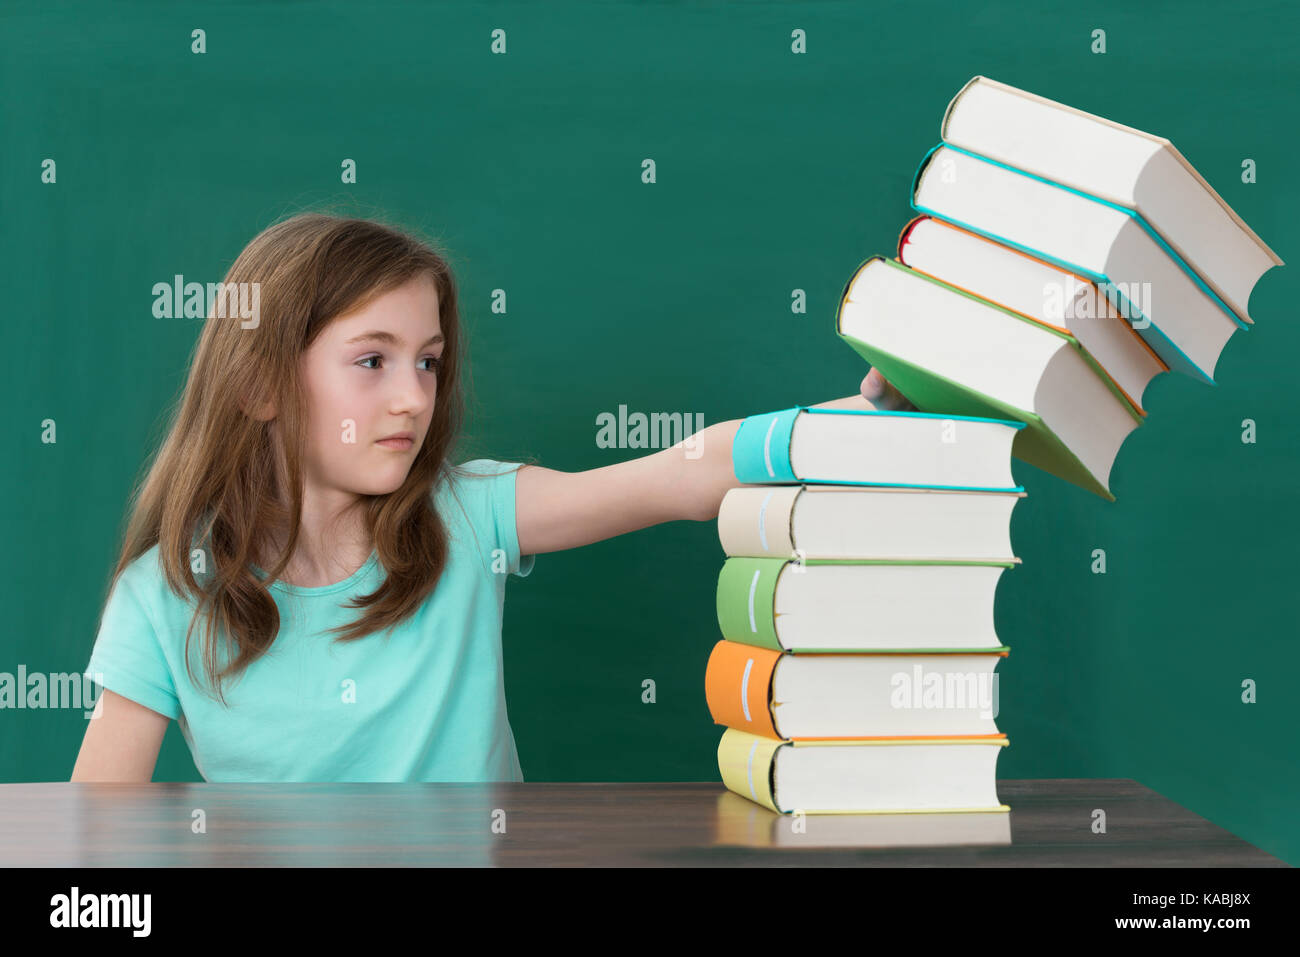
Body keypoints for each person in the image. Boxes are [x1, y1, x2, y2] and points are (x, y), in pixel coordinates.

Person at [70, 213, 915, 783]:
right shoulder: (162, 597)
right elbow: (93, 841)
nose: (412, 396)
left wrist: (859, 416)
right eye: (373, 360)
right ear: (259, 384)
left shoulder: (467, 516)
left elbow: (681, 474)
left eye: (428, 361)